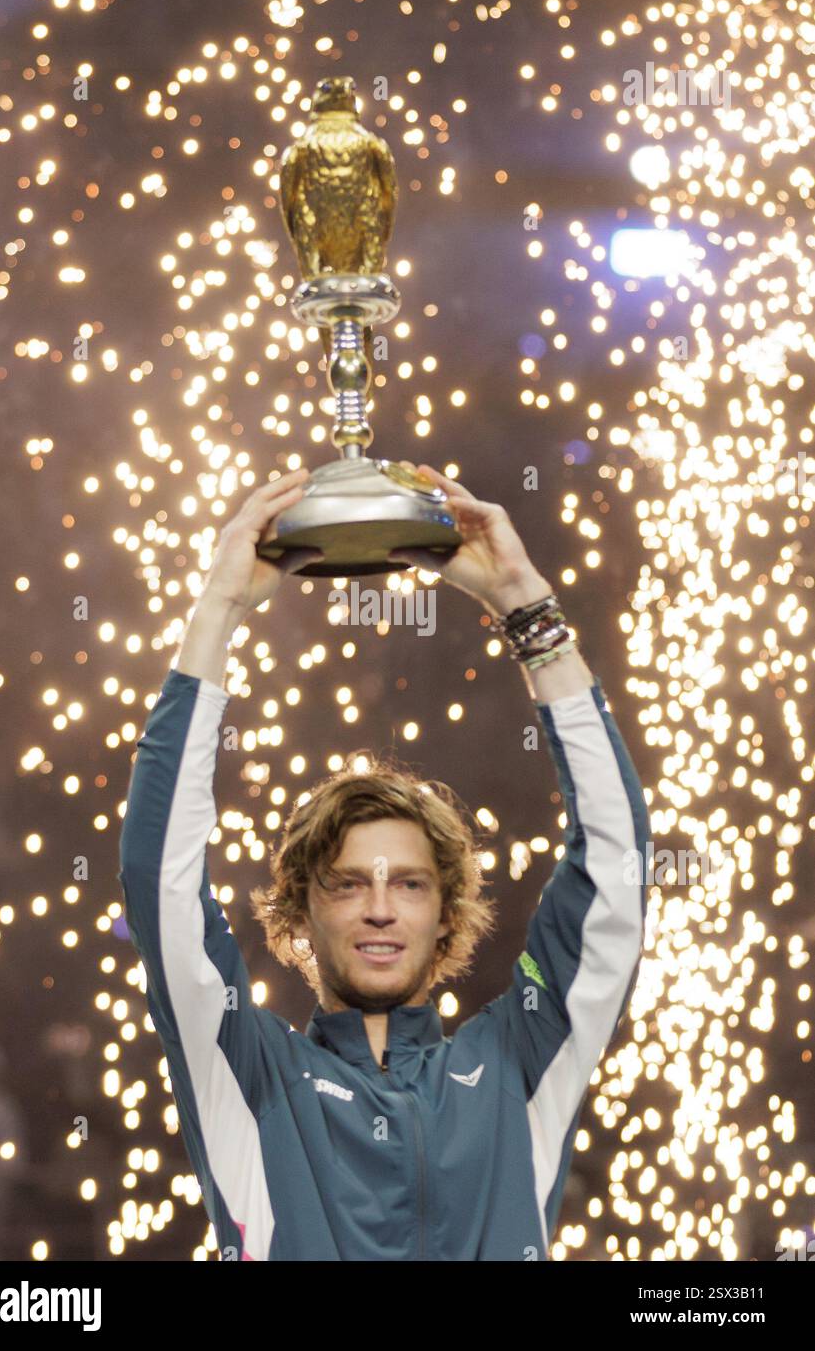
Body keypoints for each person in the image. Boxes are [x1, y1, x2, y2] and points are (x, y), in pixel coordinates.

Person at [118, 463, 650, 1261]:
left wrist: (526, 610)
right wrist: (218, 609)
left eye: (408, 884)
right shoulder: (249, 1074)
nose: (378, 908)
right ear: (300, 912)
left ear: (447, 914)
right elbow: (160, 880)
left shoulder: (519, 1062)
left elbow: (613, 866)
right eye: (346, 884)